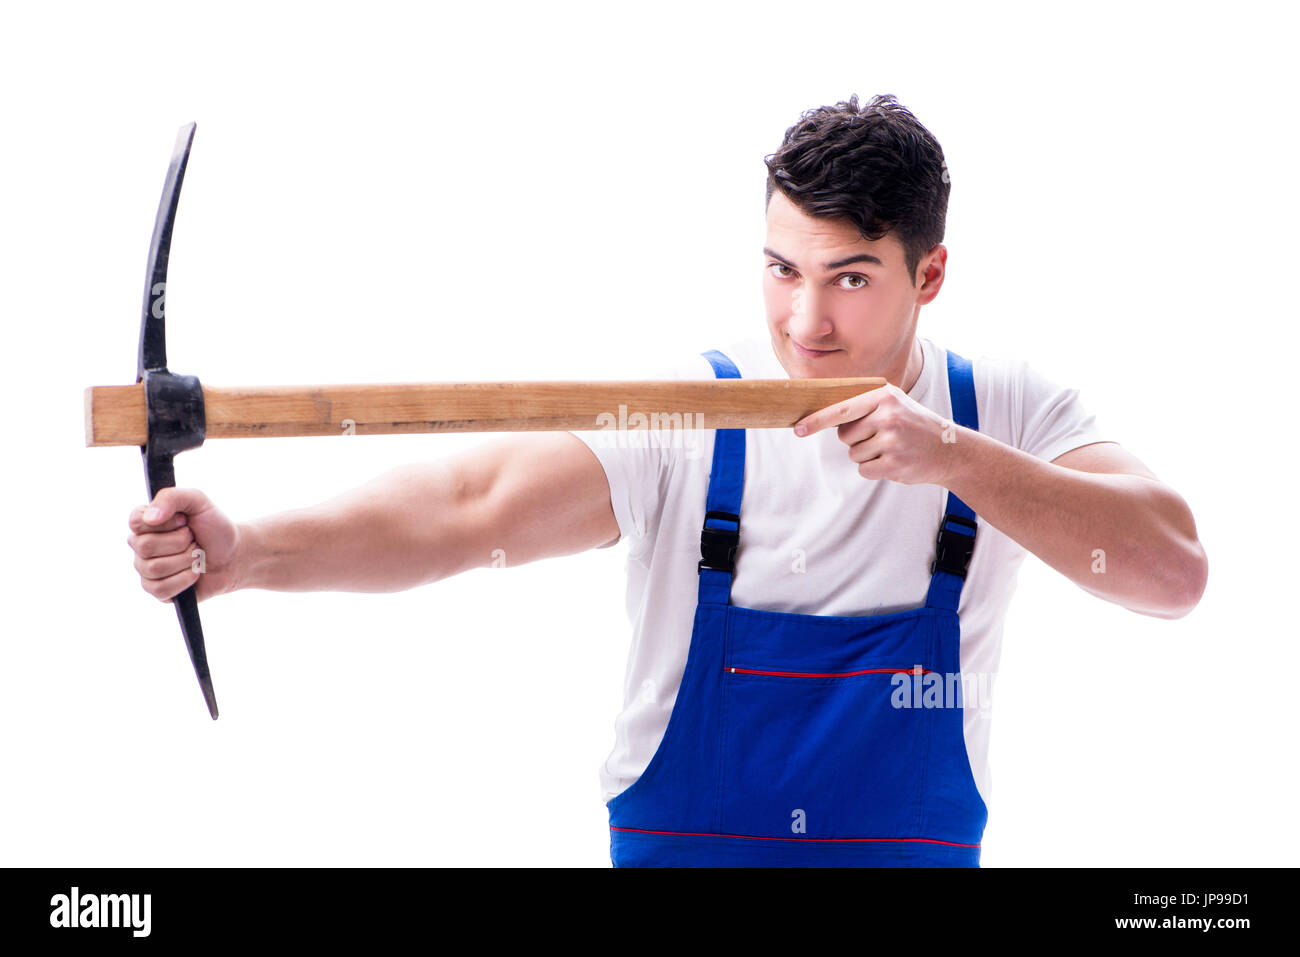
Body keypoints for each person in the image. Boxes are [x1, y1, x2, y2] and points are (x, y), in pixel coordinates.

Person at [126, 94, 1209, 867]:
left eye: (850, 279)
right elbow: (471, 509)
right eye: (781, 270)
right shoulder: (687, 416)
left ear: (930, 272)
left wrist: (956, 461)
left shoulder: (1003, 412)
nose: (804, 322)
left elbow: (1170, 574)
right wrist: (251, 553)